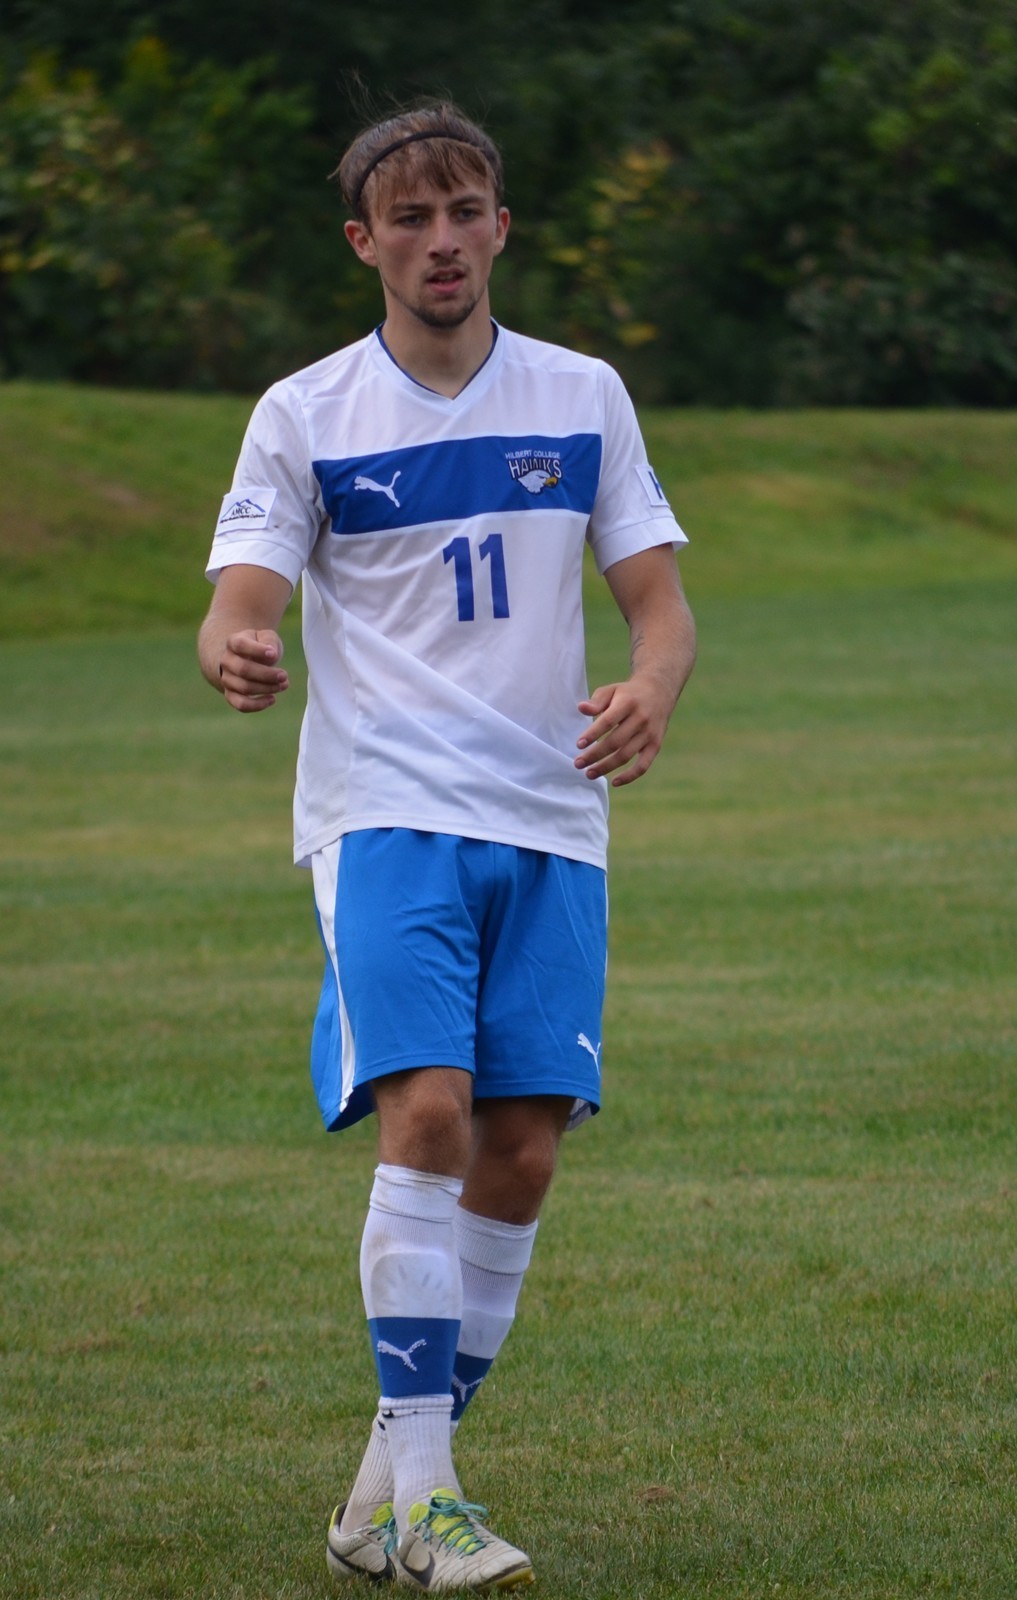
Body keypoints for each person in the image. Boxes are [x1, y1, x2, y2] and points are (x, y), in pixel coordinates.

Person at [198, 99, 695, 1594]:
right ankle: (428, 1505)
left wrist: (649, 690)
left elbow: (658, 604)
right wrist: (238, 641)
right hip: (386, 810)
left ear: (498, 227)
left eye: (463, 209)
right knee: (427, 1112)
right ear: (365, 242)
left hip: (551, 815)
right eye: (408, 218)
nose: (440, 240)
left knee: (522, 1154)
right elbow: (242, 592)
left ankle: (382, 1494)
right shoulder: (306, 412)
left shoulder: (583, 393)